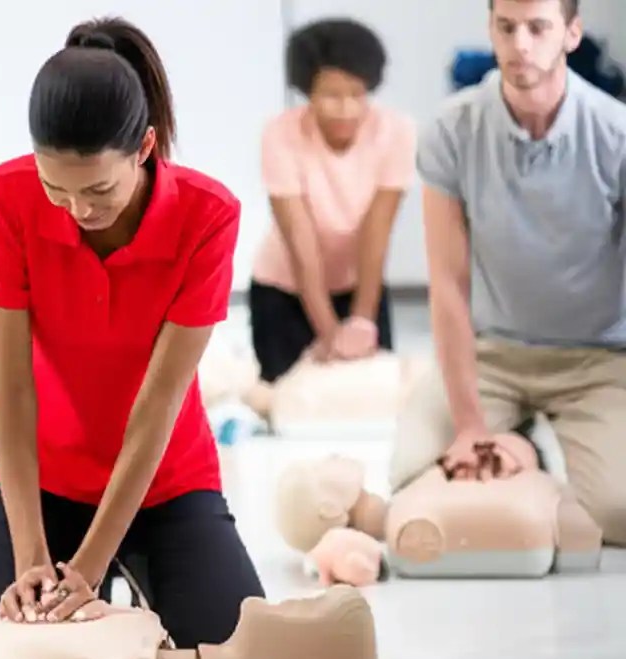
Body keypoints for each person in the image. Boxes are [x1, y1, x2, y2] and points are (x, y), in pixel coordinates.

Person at [0, 16, 265, 650]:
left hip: (167, 480)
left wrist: (90, 568)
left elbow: (157, 405)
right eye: (56, 189)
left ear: (145, 148)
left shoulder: (209, 216)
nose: (79, 212)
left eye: (99, 189)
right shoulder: (6, 198)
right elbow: (11, 391)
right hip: (44, 482)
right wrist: (31, 558)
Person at [391, 0, 626, 545]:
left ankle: (527, 453)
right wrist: (471, 424)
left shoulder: (615, 132)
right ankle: (524, 449)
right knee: (412, 474)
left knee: (617, 512)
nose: (520, 43)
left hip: (598, 359)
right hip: (493, 353)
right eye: (507, 27)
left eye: (538, 28)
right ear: (491, 31)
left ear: (571, 34)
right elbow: (448, 283)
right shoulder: (452, 129)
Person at [250, 18, 416, 384]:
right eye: (330, 96)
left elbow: (377, 231)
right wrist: (328, 332)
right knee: (286, 395)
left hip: (361, 285)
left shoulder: (396, 132)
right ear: (307, 90)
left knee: (373, 390)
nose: (345, 109)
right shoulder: (280, 135)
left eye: (356, 95)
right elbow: (300, 240)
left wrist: (360, 321)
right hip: (284, 291)